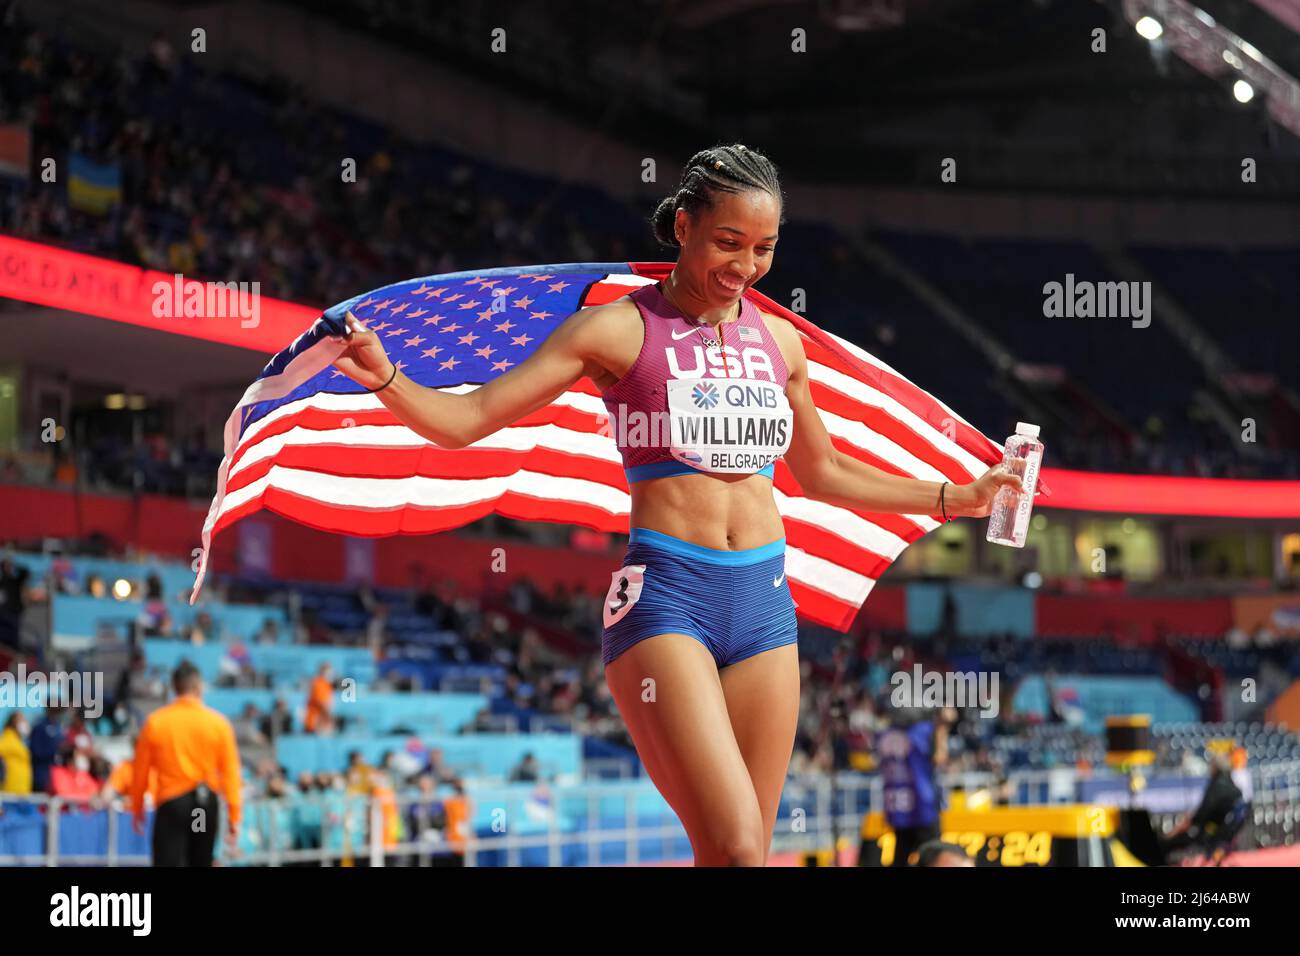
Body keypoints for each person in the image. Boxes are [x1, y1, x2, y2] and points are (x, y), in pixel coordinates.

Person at [328, 143, 1022, 865]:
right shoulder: (615, 330)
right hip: (667, 601)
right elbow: (465, 422)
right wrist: (389, 380)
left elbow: (823, 473)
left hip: (765, 602)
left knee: (738, 855)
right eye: (728, 242)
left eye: (763, 248)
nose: (746, 266)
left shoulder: (780, 340)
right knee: (737, 847)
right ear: (683, 226)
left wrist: (956, 497)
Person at [129, 661, 242, 866]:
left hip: (173, 806)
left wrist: (137, 807)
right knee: (198, 860)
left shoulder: (157, 722)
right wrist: (234, 816)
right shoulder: (218, 724)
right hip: (201, 807)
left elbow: (140, 769)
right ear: (199, 687)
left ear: (174, 688)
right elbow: (230, 773)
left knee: (168, 861)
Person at [870, 706, 954, 867]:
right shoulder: (922, 731)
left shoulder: (886, 734)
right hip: (923, 806)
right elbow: (940, 759)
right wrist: (942, 726)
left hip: (899, 808)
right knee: (934, 858)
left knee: (900, 857)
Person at [1159, 751, 1247, 864]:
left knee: (1165, 843)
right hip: (1222, 834)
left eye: (1211, 766)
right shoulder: (1235, 790)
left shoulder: (1216, 787)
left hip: (1208, 835)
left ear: (1215, 767)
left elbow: (1201, 815)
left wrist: (1184, 826)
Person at [0, 712, 32, 794]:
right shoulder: (6, 738)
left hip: (21, 792)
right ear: (13, 722)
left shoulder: (20, 742)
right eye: (21, 720)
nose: (25, 722)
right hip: (8, 792)